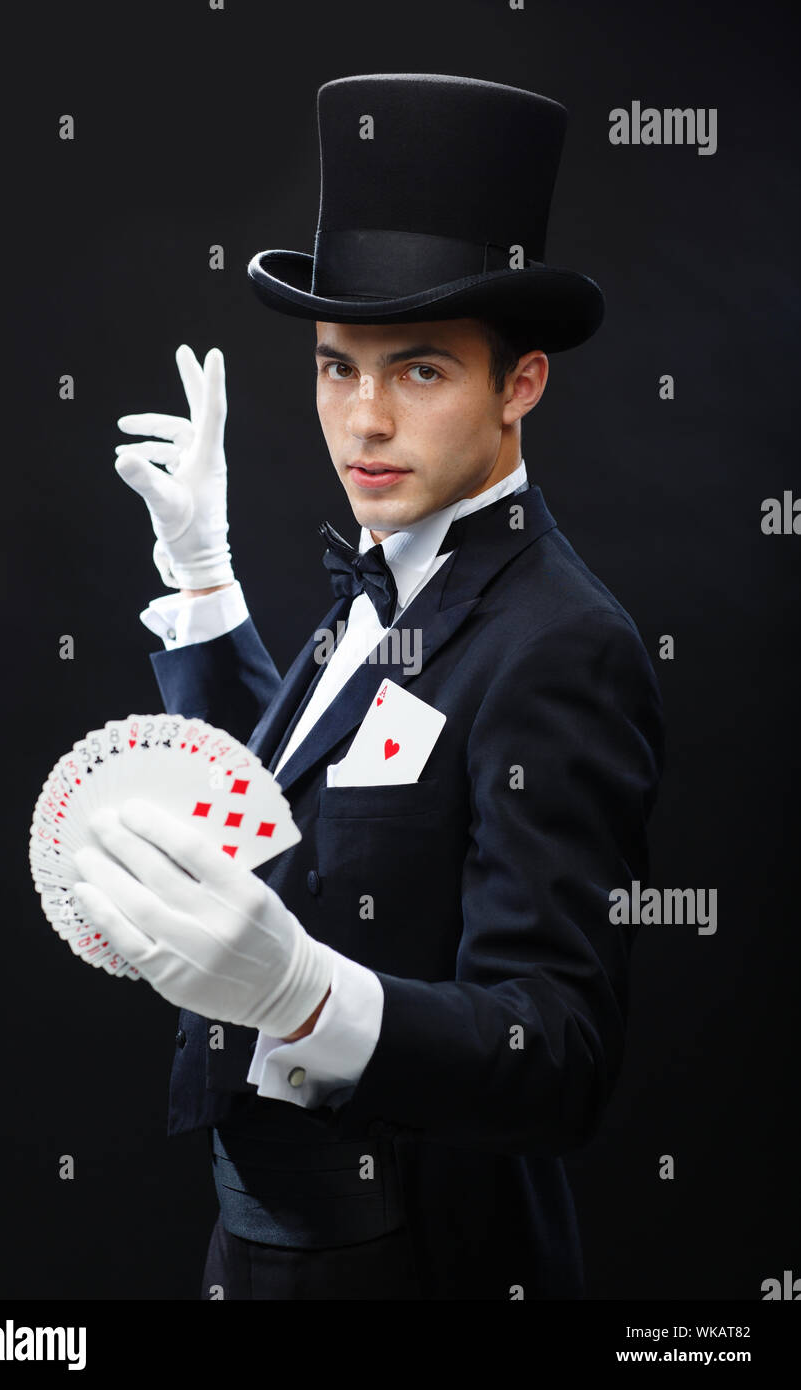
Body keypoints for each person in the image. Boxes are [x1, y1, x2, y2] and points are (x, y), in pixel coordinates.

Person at [73, 73, 665, 1301]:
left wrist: (306, 993)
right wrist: (201, 584)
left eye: (421, 372)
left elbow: (556, 1057)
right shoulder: (379, 582)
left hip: (426, 1269)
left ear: (521, 384)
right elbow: (280, 825)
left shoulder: (562, 643)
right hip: (257, 1254)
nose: (364, 421)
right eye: (337, 368)